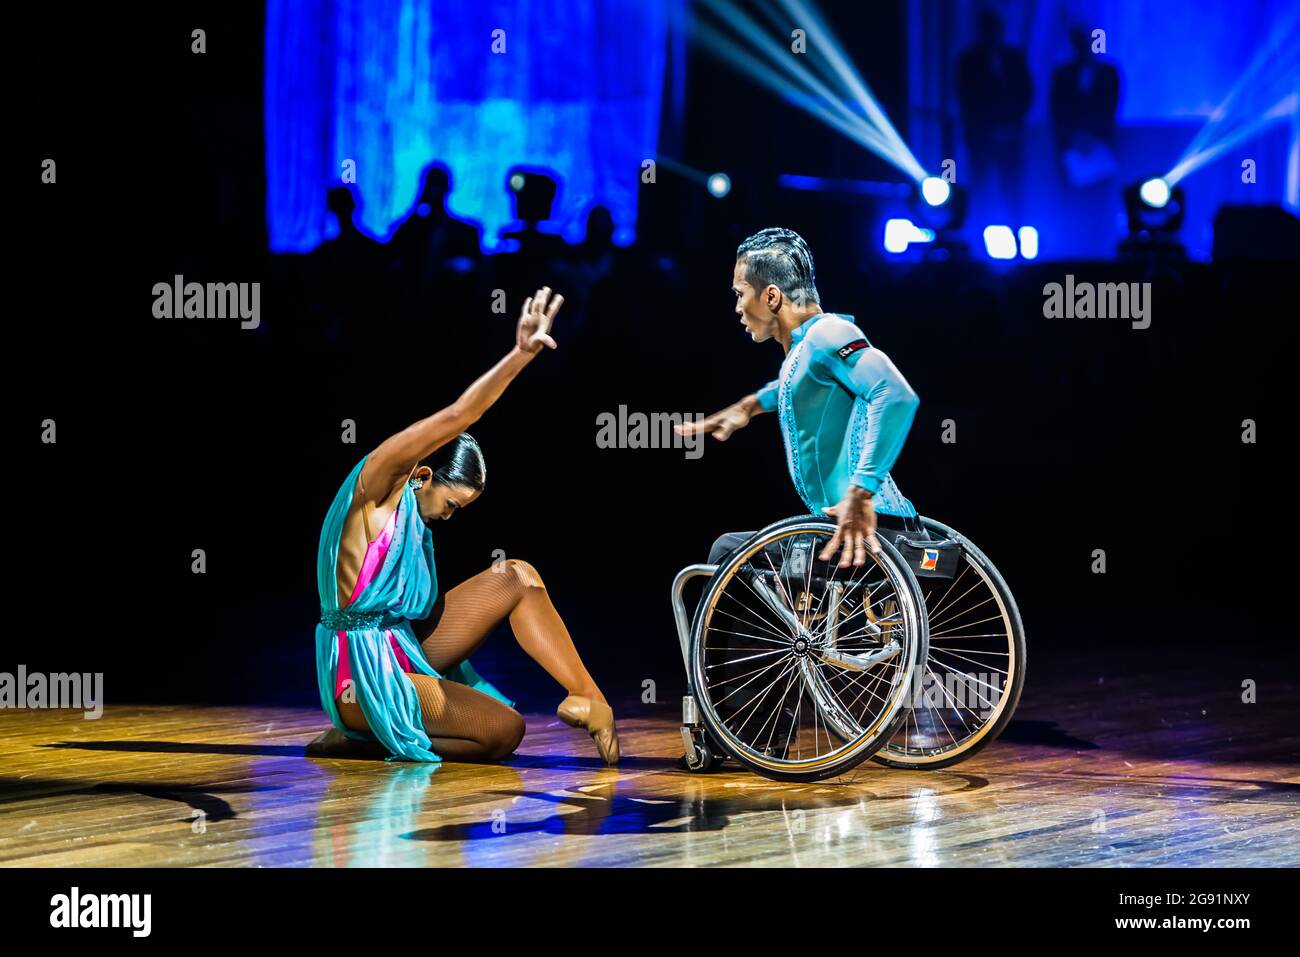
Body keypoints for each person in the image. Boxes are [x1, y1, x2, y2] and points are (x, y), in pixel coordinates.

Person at [306, 287, 619, 765]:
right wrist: (520, 355)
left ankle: (592, 699)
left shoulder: (414, 509)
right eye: (451, 504)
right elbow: (459, 415)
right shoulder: (376, 485)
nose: (449, 516)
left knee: (518, 576)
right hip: (359, 673)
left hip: (398, 643)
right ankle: (364, 734)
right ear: (423, 475)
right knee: (503, 730)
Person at [675, 228, 921, 761]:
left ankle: (742, 733)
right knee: (739, 560)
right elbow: (791, 386)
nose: (736, 306)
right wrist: (745, 408)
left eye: (740, 292)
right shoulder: (806, 349)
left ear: (771, 296)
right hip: (835, 529)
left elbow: (896, 394)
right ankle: (751, 731)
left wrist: (862, 491)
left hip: (870, 528)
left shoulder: (830, 332)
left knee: (728, 556)